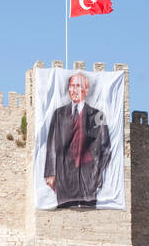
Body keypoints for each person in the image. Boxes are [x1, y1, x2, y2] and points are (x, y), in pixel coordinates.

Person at [43, 72, 111, 207]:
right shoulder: (59, 114)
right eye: (72, 86)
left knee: (89, 213)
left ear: (86, 90)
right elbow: (51, 144)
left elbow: (106, 147)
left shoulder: (97, 115)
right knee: (64, 211)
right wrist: (50, 173)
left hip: (88, 177)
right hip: (64, 175)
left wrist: (97, 174)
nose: (74, 90)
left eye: (78, 86)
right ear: (68, 89)